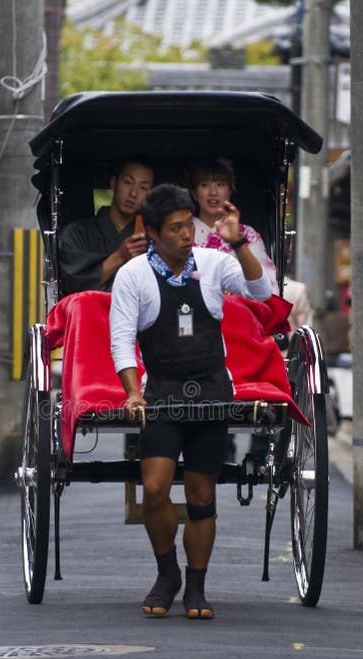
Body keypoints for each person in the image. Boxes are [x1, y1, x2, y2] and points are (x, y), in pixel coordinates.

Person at [110, 184, 272, 620]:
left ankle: (196, 585)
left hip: (211, 391)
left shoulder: (214, 263)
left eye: (188, 226)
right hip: (162, 392)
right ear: (153, 232)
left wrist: (238, 243)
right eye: (175, 229)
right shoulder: (133, 275)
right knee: (155, 489)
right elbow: (122, 340)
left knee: (201, 494)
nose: (187, 235)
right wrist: (132, 391)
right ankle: (168, 573)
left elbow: (261, 291)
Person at [58, 157, 155, 295]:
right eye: (128, 182)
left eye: (143, 188)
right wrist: (120, 256)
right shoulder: (77, 232)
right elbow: (71, 286)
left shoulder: (152, 239)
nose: (133, 194)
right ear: (113, 183)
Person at [187, 158, 278, 291]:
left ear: (230, 191)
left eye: (220, 184)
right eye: (205, 185)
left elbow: (267, 284)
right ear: (194, 193)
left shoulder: (247, 234)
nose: (213, 192)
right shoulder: (183, 231)